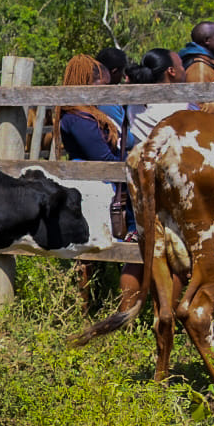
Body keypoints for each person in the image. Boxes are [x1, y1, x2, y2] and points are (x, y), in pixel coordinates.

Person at [57, 53, 141, 311]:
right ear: (86, 82)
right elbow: (102, 158)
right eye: (101, 86)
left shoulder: (86, 114)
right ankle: (85, 307)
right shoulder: (77, 118)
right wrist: (134, 161)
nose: (105, 92)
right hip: (94, 187)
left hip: (101, 184)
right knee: (88, 252)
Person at [128, 48, 192, 144]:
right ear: (171, 71)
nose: (184, 70)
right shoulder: (184, 105)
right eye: (181, 65)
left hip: (144, 153)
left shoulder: (133, 106)